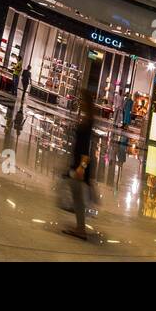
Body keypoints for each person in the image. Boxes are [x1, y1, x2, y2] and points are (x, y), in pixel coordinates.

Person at [63, 89, 96, 240]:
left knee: (78, 200)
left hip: (80, 167)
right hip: (78, 165)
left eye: (82, 100)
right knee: (77, 199)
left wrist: (81, 168)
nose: (79, 103)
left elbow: (86, 150)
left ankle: (81, 229)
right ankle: (79, 227)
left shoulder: (88, 123)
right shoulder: (86, 120)